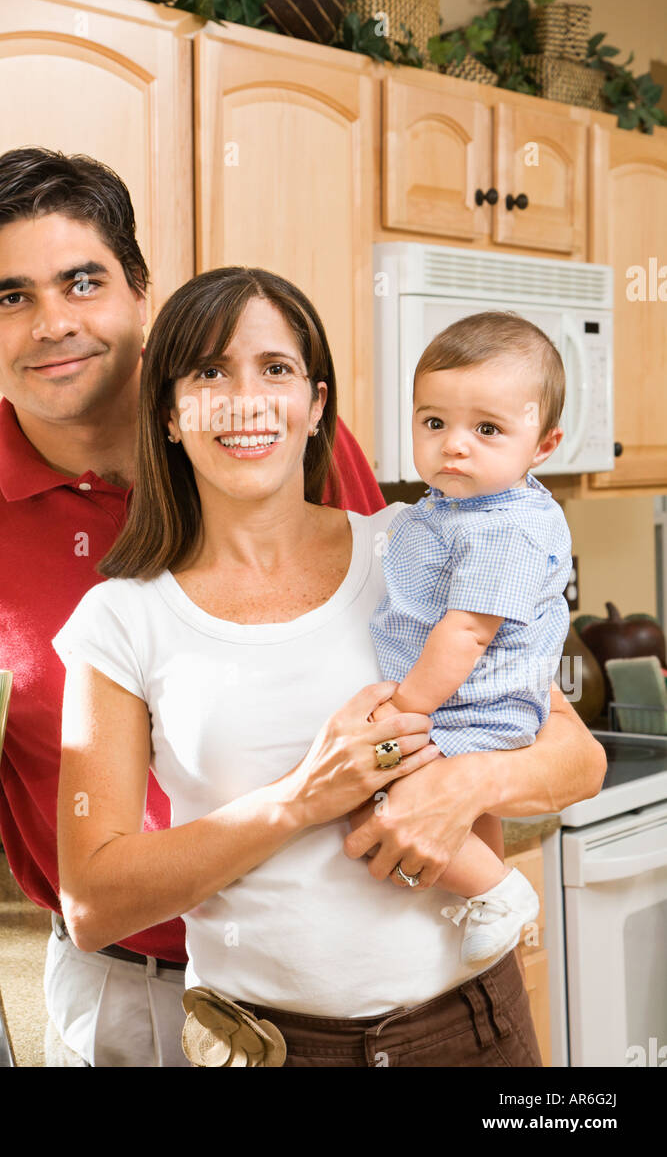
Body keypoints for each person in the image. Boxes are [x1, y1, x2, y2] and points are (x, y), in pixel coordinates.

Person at [0, 147, 385, 1069]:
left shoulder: (283, 447)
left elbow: (409, 674)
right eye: (11, 296)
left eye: (82, 281)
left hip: (345, 959)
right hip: (129, 992)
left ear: (140, 291)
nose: (54, 323)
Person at [53, 266, 607, 1068]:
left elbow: (576, 759)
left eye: (275, 370)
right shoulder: (121, 620)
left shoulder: (414, 547)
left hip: (470, 1030)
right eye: (209, 371)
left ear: (314, 406)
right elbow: (92, 904)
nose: (245, 400)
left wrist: (465, 785)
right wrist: (300, 800)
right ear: (170, 414)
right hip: (264, 1048)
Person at [368, 311, 574, 967]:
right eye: (434, 423)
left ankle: (499, 893)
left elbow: (464, 631)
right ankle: (481, 888)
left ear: (541, 445)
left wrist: (407, 711)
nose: (454, 445)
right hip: (469, 703)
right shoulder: (460, 505)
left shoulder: (502, 528)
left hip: (471, 706)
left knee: (379, 795)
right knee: (462, 810)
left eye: (486, 429)